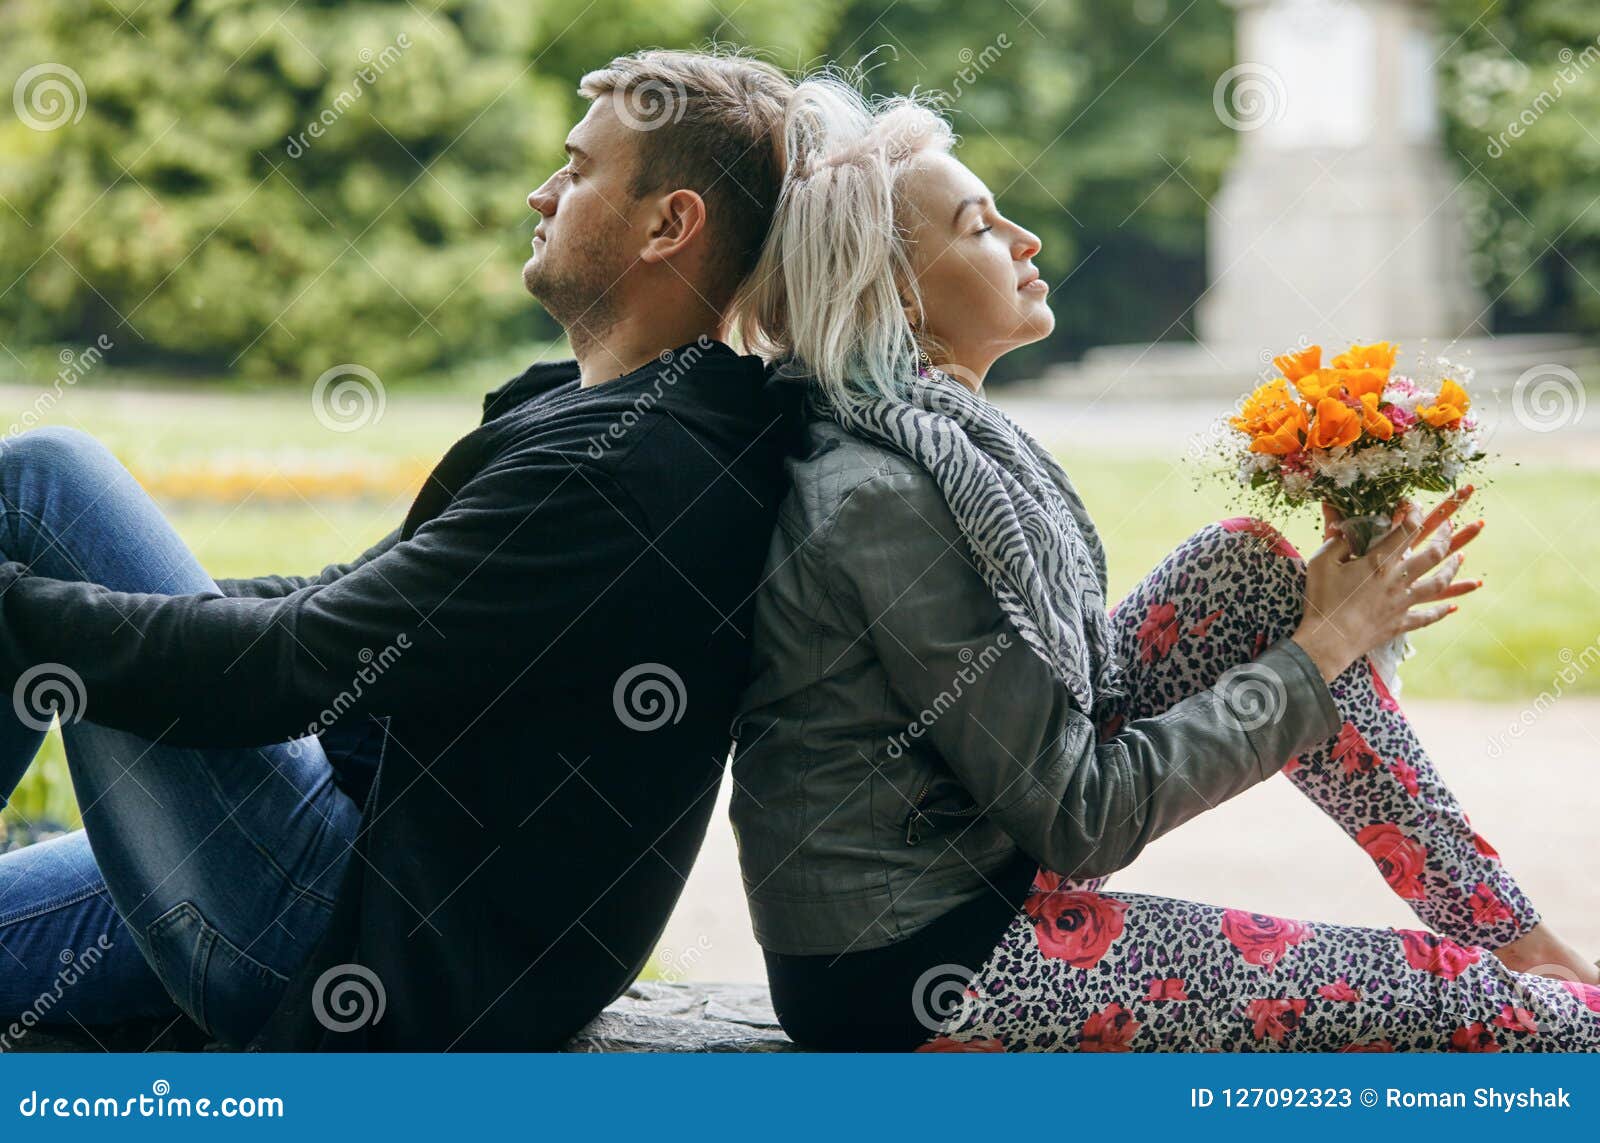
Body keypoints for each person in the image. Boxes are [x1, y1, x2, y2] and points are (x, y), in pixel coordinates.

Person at [728, 76, 1600, 1052]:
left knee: (1246, 569)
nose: (1026, 240)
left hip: (987, 863)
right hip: (916, 961)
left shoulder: (936, 444)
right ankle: (1545, 1001)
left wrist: (1329, 614)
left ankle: (1524, 944)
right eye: (979, 227)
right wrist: (1328, 644)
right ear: (893, 289)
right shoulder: (887, 497)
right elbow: (1081, 817)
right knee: (1479, 1013)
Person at [0, 48, 795, 1051]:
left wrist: (17, 611)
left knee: (41, 481)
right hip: (343, 873)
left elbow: (293, 667)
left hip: (343, 950)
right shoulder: (604, 421)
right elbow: (343, 602)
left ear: (669, 223)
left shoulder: (625, 475)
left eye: (578, 169)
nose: (539, 192)